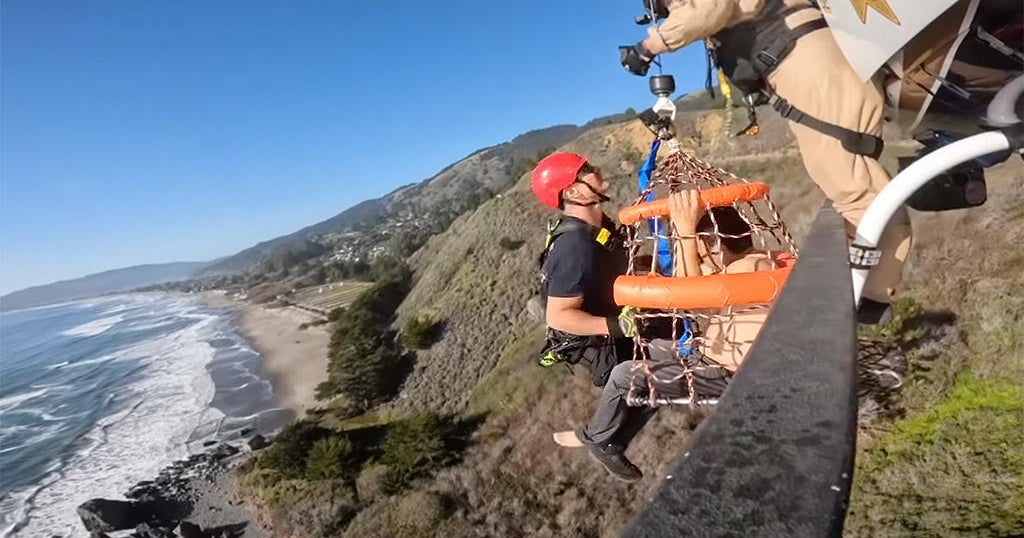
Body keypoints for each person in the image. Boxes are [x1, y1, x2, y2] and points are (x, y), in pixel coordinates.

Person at [618, 0, 913, 324]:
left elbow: (709, 9)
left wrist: (647, 47)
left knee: (855, 190)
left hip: (807, 66)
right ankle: (867, 293)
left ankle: (860, 297)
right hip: (811, 64)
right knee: (855, 180)